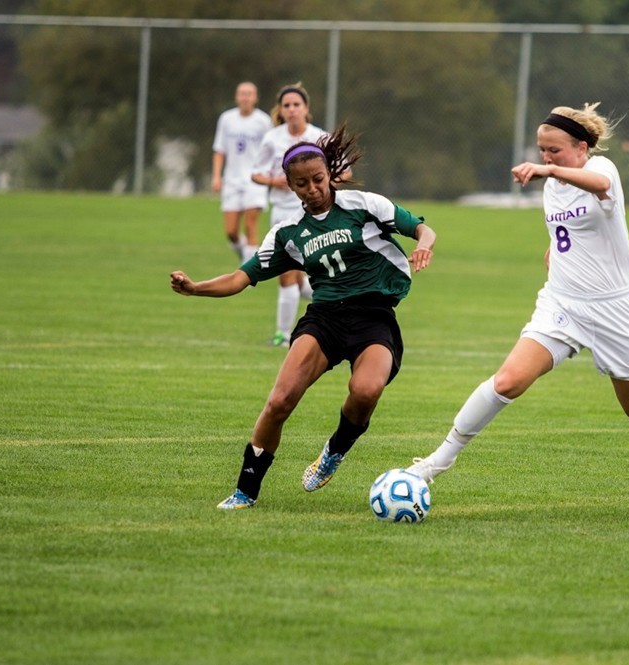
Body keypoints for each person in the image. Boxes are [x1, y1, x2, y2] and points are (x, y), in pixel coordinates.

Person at [408, 103, 629, 519]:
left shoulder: (604, 172)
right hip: (562, 304)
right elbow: (565, 235)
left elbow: (592, 185)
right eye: (542, 151)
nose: (546, 158)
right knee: (507, 381)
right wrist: (554, 253)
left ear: (582, 147)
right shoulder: (552, 187)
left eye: (554, 150)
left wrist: (550, 171)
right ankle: (434, 463)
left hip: (616, 308)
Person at [171, 124, 437, 510]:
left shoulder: (364, 205)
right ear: (290, 186)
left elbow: (422, 229)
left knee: (366, 391)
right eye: (302, 184)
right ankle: (245, 490)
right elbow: (240, 277)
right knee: (280, 401)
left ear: (329, 174)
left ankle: (335, 450)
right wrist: (195, 288)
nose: (312, 189)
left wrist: (424, 247)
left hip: (373, 316)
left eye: (318, 180)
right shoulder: (287, 233)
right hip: (325, 318)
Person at [252, 83, 329, 347]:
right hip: (283, 214)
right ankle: (283, 335)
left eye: (297, 105)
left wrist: (321, 185)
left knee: (312, 275)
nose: (292, 109)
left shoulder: (320, 137)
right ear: (281, 111)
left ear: (306, 109)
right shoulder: (272, 138)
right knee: (288, 274)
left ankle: (334, 305)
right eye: (287, 105)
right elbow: (256, 173)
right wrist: (276, 182)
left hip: (315, 214)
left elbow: (344, 172)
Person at [211, 81, 273, 262]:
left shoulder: (263, 121)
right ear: (237, 97)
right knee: (231, 232)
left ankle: (249, 269)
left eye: (249, 94)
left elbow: (271, 150)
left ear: (256, 98)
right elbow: (219, 150)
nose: (245, 97)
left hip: (255, 180)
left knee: (251, 223)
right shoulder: (226, 119)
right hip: (232, 180)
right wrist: (217, 176)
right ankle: (244, 253)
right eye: (242, 93)